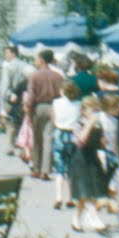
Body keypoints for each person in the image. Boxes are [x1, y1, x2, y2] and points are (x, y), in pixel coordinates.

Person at [22, 49, 64, 181]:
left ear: (41, 60)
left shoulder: (34, 76)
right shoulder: (58, 76)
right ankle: (46, 170)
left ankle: (36, 168)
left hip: (38, 107)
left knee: (37, 139)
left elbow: (31, 95)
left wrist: (28, 110)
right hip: (53, 107)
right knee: (48, 139)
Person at [69, 94, 109, 231]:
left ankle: (76, 220)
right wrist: (90, 123)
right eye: (92, 110)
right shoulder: (79, 124)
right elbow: (81, 141)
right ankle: (94, 218)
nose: (95, 113)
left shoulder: (98, 125)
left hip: (93, 157)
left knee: (89, 191)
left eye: (96, 110)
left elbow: (102, 144)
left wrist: (103, 141)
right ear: (84, 110)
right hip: (80, 159)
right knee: (85, 190)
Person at [49, 78, 82, 210]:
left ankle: (58, 196)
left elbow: (53, 119)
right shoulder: (78, 104)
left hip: (59, 133)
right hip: (73, 134)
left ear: (62, 91)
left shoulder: (56, 102)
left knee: (59, 167)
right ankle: (70, 197)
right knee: (71, 167)